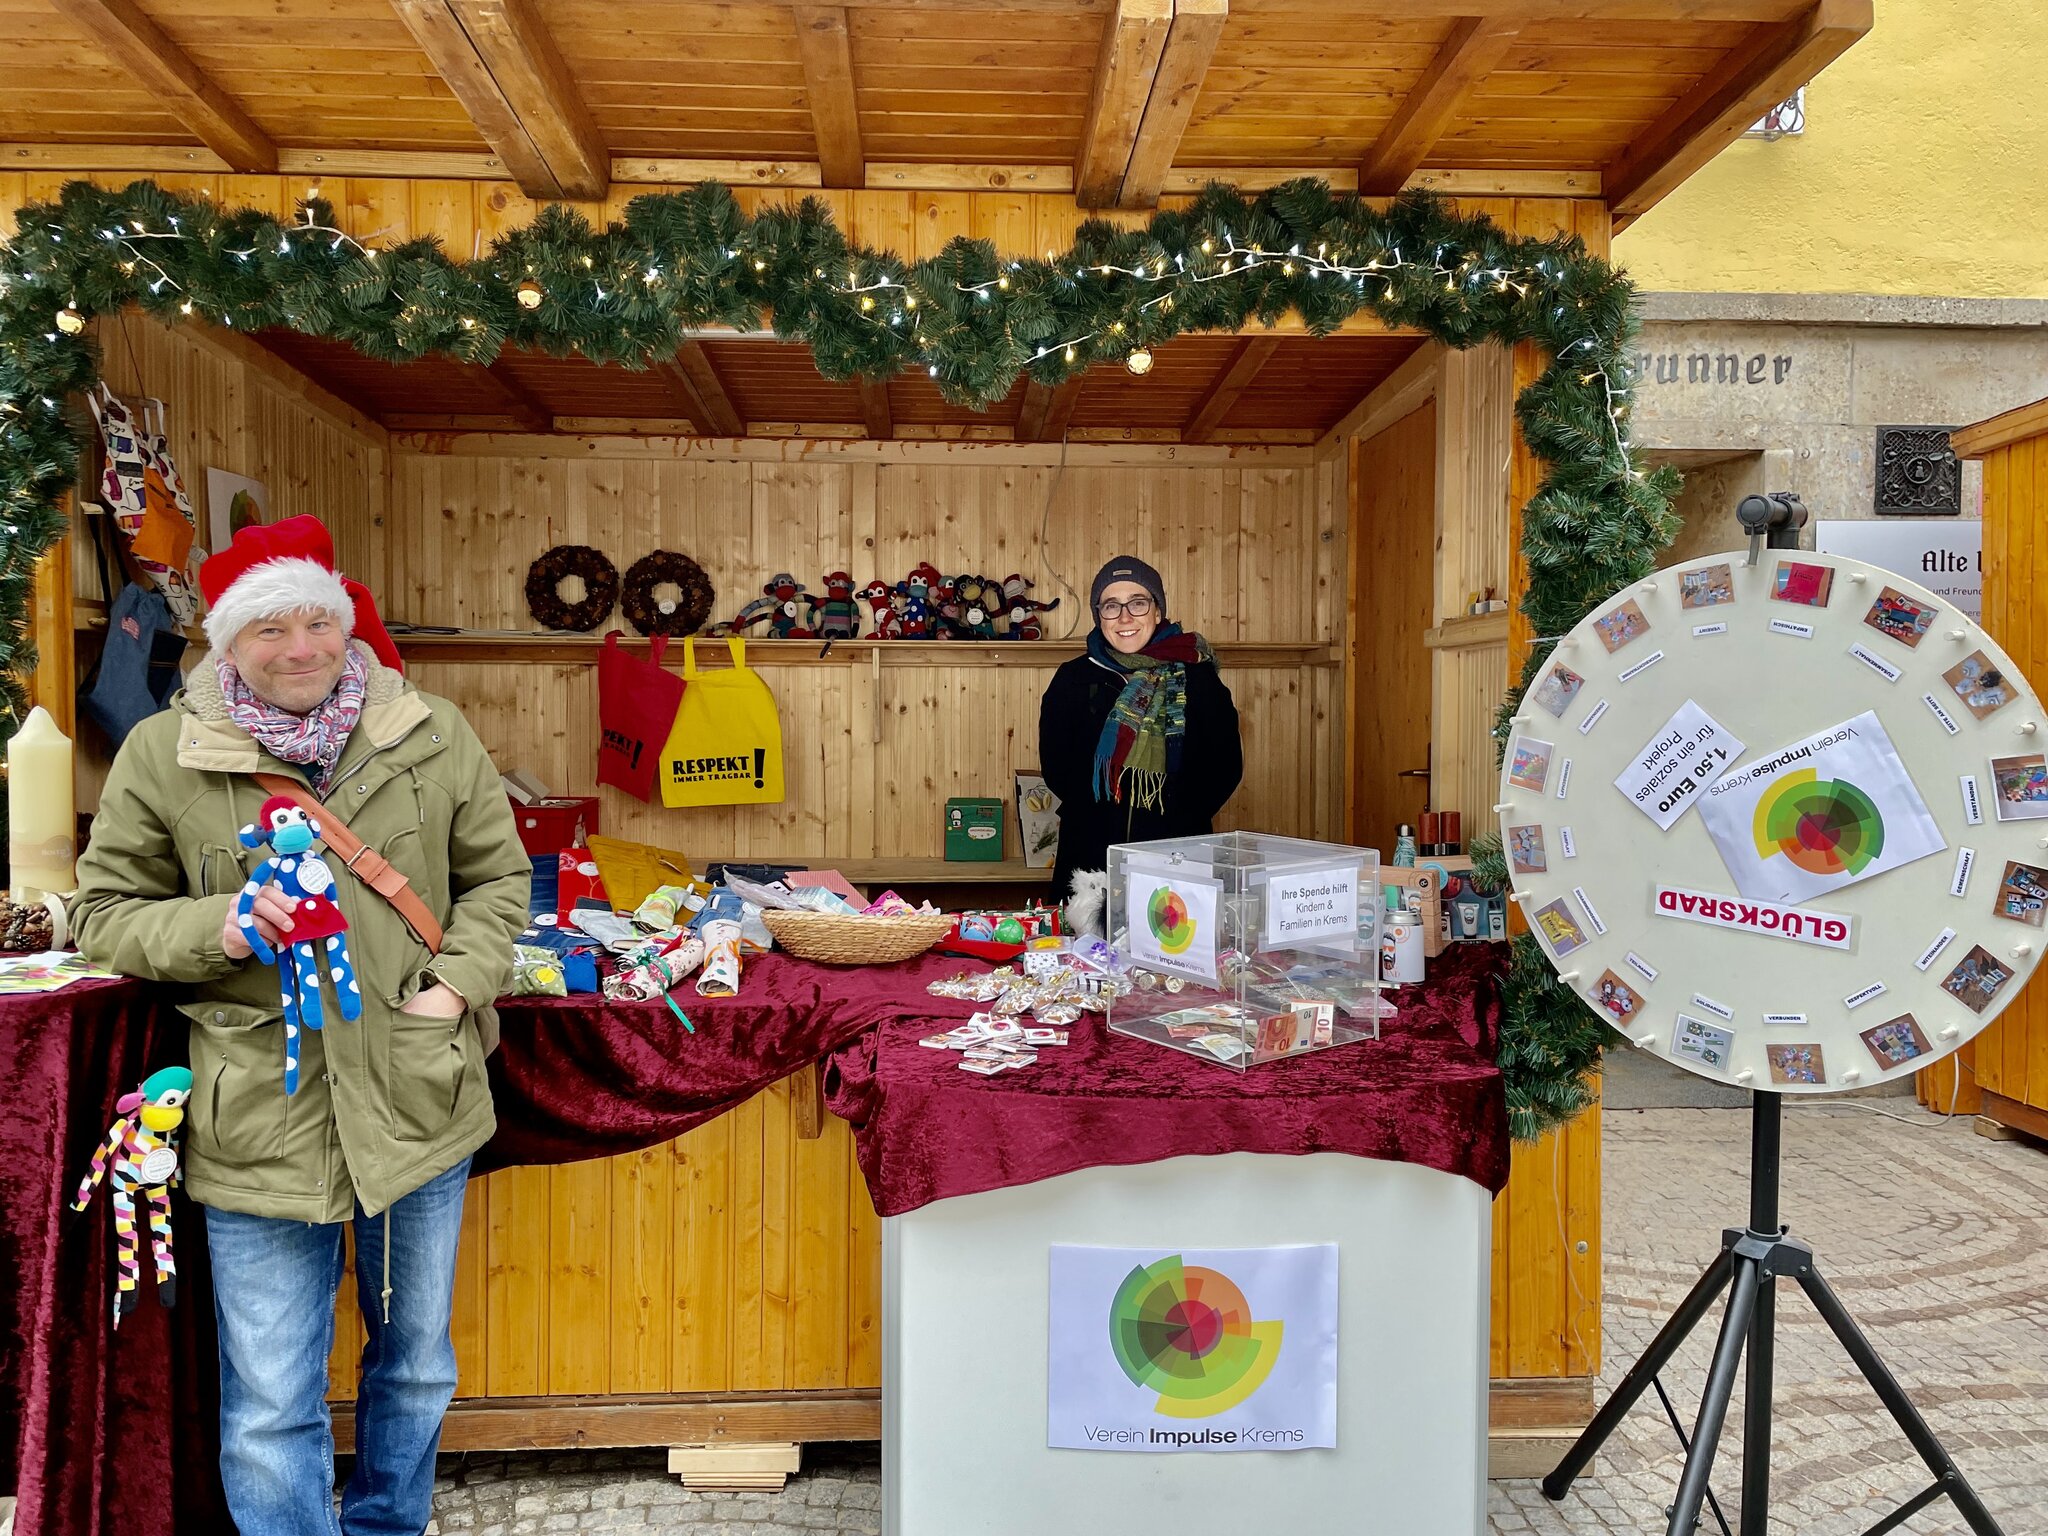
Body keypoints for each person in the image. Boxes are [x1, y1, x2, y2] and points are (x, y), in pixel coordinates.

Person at [70, 515, 531, 1536]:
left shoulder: (430, 731)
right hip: (260, 1115)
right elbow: (102, 910)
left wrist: (451, 989)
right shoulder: (164, 754)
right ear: (226, 644)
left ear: (346, 622)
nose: (300, 649)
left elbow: (501, 880)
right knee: (273, 1399)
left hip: (416, 1096)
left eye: (316, 622)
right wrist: (219, 927)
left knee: (414, 1366)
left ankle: (384, 1527)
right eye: (267, 630)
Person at [1037, 555, 1243, 904]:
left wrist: (1177, 816)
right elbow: (1057, 767)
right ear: (1098, 615)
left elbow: (1224, 767)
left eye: (1137, 603)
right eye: (1111, 606)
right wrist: (1100, 812)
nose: (1125, 617)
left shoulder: (1198, 678)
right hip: (1090, 856)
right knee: (1085, 954)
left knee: (1173, 950)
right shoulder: (1073, 678)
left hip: (1177, 855)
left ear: (1157, 610)